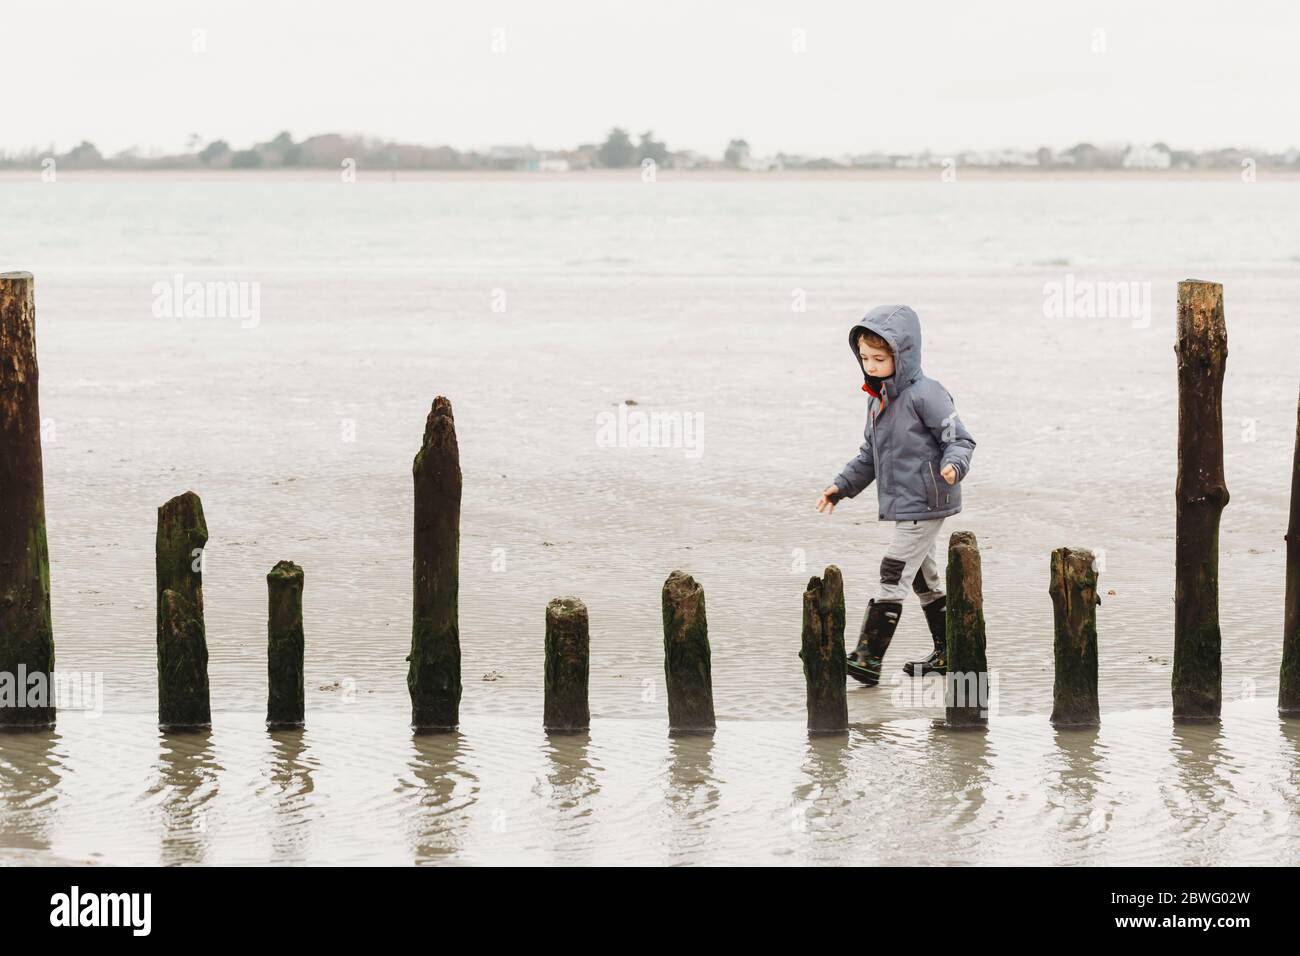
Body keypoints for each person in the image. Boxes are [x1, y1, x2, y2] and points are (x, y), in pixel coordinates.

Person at [815, 304, 975, 686]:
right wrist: (842, 486)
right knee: (924, 577)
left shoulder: (927, 394)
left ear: (902, 355)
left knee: (893, 571)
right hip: (905, 504)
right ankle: (948, 653)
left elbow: (960, 439)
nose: (870, 365)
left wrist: (953, 466)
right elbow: (870, 455)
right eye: (865, 358)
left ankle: (868, 659)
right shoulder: (877, 399)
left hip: (928, 499)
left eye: (879, 358)